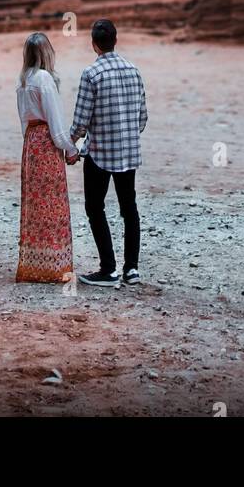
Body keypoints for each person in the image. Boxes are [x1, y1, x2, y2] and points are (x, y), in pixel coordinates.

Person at [70, 18, 147, 288]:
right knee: (130, 208)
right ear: (115, 40)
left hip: (100, 154)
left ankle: (108, 269)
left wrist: (70, 145)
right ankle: (132, 269)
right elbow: (142, 118)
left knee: (95, 207)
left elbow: (81, 120)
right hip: (128, 152)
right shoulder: (133, 70)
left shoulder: (91, 74)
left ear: (94, 45)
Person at [15, 31, 80, 283]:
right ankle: (54, 265)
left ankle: (33, 264)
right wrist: (71, 149)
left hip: (30, 144)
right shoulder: (44, 79)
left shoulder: (23, 80)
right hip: (46, 144)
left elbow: (23, 121)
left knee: (34, 204)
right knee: (53, 204)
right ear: (47, 53)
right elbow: (56, 122)